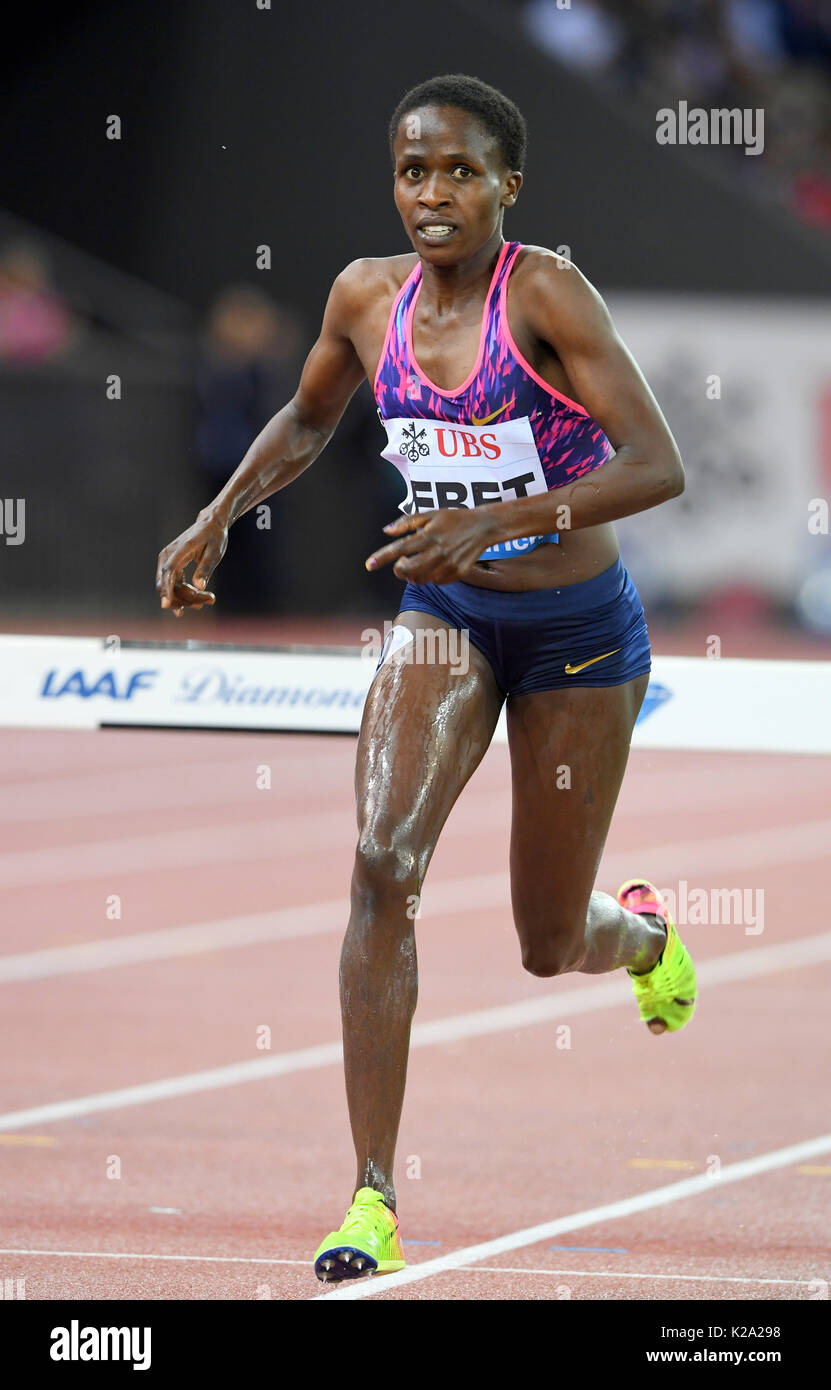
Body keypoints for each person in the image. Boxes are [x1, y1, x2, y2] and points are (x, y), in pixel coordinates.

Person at [156, 73, 697, 1285]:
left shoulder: (548, 295)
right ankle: (372, 1196)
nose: (433, 193)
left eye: (460, 171)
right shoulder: (365, 296)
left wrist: (507, 513)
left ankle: (647, 935)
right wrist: (219, 514)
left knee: (549, 943)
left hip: (574, 634)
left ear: (509, 184)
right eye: (413, 170)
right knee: (382, 864)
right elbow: (305, 420)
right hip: (443, 617)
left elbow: (660, 463)